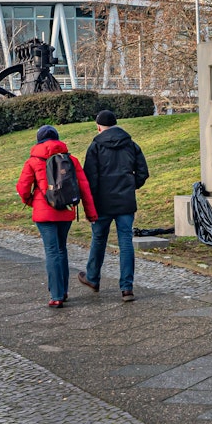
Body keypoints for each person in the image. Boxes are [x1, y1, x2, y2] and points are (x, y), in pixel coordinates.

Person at [16, 125, 98, 308]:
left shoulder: (33, 161)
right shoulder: (71, 159)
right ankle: (64, 291)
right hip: (66, 210)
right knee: (62, 249)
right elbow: (84, 188)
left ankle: (56, 295)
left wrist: (31, 201)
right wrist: (91, 213)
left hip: (43, 214)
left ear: (38, 140)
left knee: (52, 251)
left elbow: (22, 187)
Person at [78, 110, 150, 302]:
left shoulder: (95, 146)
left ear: (99, 127)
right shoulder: (130, 144)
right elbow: (143, 172)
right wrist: (130, 185)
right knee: (125, 242)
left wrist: (90, 205)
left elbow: (90, 178)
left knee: (98, 239)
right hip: (125, 201)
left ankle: (92, 278)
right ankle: (127, 288)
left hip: (102, 202)